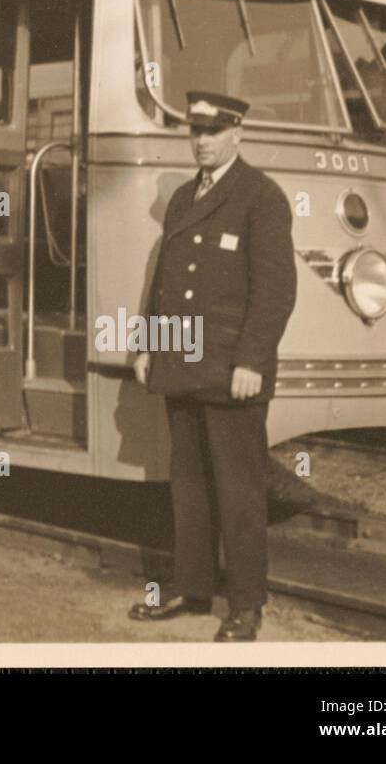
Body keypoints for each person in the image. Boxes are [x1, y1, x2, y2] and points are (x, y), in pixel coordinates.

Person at [128, 90, 297, 641]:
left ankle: (247, 604)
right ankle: (191, 586)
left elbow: (275, 292)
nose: (201, 141)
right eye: (195, 131)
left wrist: (252, 359)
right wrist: (149, 344)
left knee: (240, 490)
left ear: (237, 133)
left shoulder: (261, 197)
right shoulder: (182, 197)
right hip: (183, 360)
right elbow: (164, 282)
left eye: (212, 131)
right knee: (189, 483)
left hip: (231, 370)